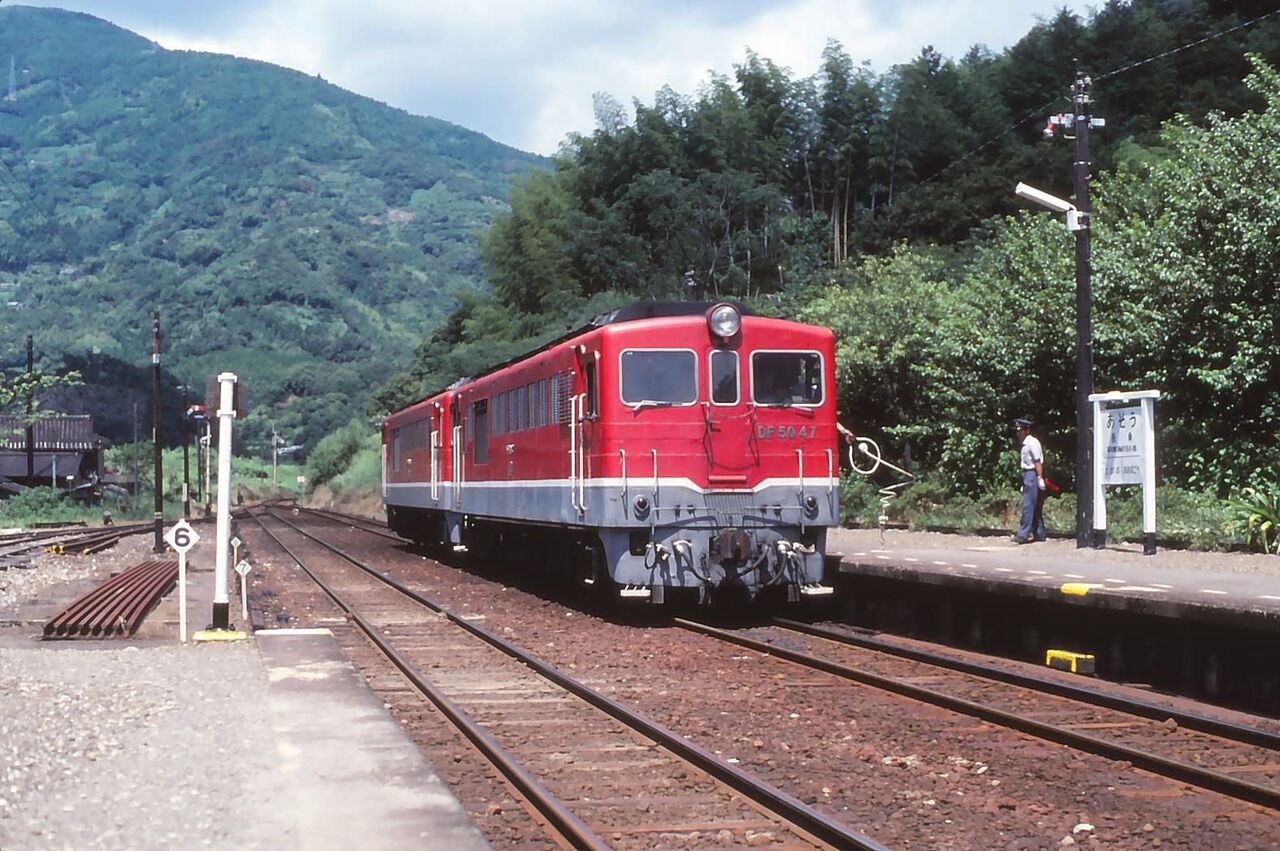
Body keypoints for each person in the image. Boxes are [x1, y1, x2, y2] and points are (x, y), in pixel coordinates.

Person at [1013, 418, 1046, 543]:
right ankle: (1039, 533)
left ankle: (1023, 534)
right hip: (1027, 474)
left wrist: (1039, 477)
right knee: (1034, 506)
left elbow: (1037, 462)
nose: (1018, 433)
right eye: (1017, 430)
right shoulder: (1024, 443)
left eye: (1020, 430)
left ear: (1026, 430)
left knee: (1028, 505)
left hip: (1032, 474)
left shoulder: (1032, 443)